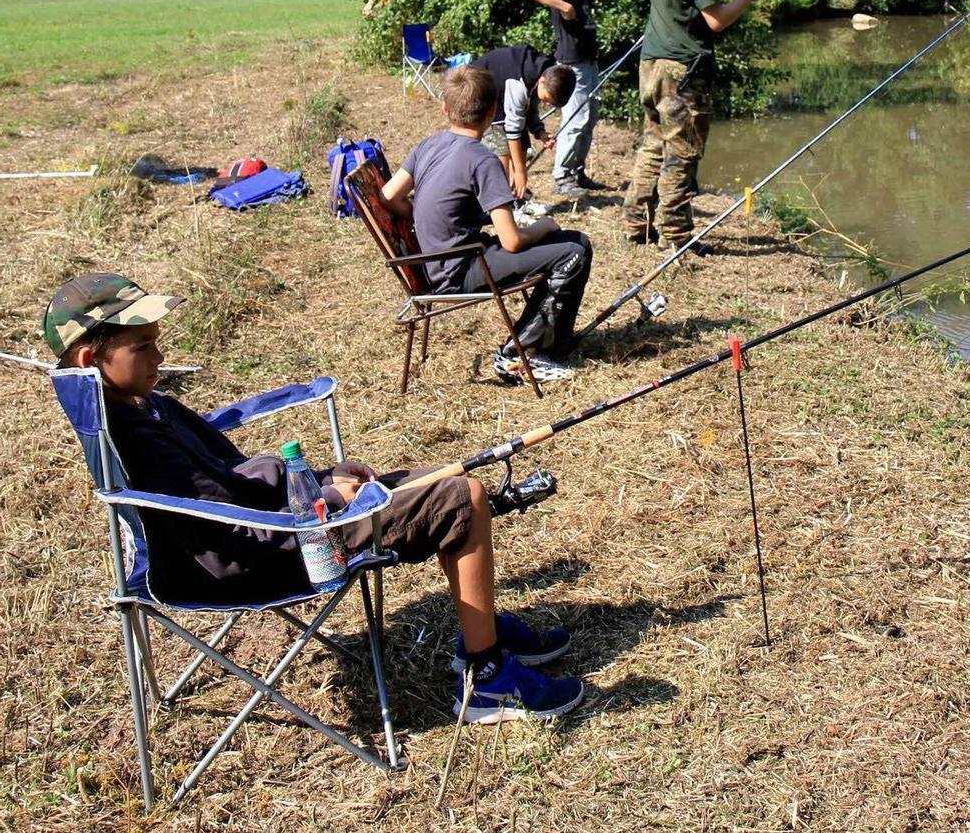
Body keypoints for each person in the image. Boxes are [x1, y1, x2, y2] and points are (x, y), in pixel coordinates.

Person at [44, 272, 586, 722]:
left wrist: (321, 479)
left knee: (432, 482)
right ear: (91, 359)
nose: (160, 357)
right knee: (461, 497)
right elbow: (229, 534)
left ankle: (482, 631)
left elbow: (235, 477)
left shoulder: (143, 405)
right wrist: (328, 499)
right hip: (266, 552)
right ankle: (487, 675)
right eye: (142, 347)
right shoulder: (138, 437)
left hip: (281, 526)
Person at [625, 0, 817, 250]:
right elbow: (716, 21)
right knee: (682, 155)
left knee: (653, 146)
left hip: (652, 65)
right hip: (682, 72)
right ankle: (675, 237)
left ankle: (638, 226)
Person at [379, 66, 592, 385]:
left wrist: (422, 218)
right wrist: (545, 226)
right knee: (575, 249)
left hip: (435, 264)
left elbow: (388, 195)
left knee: (569, 242)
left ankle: (548, 339)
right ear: (493, 111)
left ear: (445, 109)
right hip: (460, 271)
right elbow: (511, 241)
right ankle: (524, 354)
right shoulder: (483, 160)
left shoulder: (428, 145)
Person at [529, 0, 607, 197]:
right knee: (575, 119)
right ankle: (562, 176)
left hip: (588, 61)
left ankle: (577, 172)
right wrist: (565, 7)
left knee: (590, 117)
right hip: (573, 62)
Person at [473, 42, 574, 205]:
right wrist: (520, 172)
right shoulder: (519, 83)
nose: (545, 103)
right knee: (501, 151)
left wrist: (540, 133)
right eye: (546, 99)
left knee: (522, 144)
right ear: (542, 81)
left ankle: (516, 197)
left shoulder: (546, 73)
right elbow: (512, 129)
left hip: (502, 94)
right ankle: (500, 202)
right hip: (481, 90)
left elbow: (528, 110)